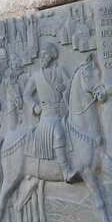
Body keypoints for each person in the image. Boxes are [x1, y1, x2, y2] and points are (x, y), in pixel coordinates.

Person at [22, 42, 76, 182]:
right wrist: (34, 107)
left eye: (45, 54)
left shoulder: (59, 71)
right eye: (41, 55)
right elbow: (26, 95)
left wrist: (64, 88)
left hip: (63, 111)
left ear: (52, 55)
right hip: (47, 115)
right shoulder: (36, 76)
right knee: (58, 134)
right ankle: (66, 171)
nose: (42, 57)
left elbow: (71, 86)